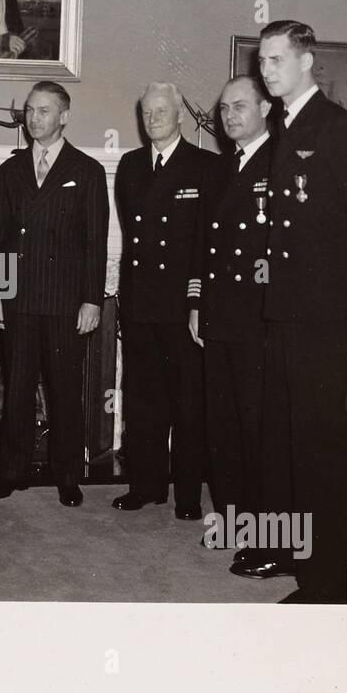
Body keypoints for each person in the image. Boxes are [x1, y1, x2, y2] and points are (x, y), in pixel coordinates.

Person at [257, 20, 347, 603]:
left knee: (317, 447)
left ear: (306, 62)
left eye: (276, 61)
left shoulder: (341, 129)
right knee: (292, 441)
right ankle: (307, 567)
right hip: (285, 309)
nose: (266, 72)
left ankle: (329, 585)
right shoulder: (284, 126)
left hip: (322, 313)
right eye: (262, 62)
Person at [0, 82, 108, 506]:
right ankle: (11, 470)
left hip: (65, 302)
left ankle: (67, 475)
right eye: (30, 111)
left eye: (43, 111)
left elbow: (96, 242)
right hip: (18, 298)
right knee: (16, 389)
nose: (33, 119)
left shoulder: (87, 170)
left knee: (64, 392)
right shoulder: (10, 170)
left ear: (64, 117)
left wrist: (93, 299)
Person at [112, 81, 217, 518]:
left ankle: (188, 495)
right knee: (142, 399)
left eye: (160, 112)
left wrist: (198, 303)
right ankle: (146, 485)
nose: (152, 120)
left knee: (187, 403)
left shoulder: (206, 167)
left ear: (180, 115)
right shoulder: (130, 164)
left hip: (180, 306)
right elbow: (134, 242)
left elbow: (206, 245)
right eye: (146, 113)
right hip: (140, 304)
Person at [188, 75, 276, 572]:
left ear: (265, 108)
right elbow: (205, 242)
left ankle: (266, 536)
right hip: (219, 317)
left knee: (256, 429)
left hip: (258, 320)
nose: (229, 116)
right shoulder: (220, 170)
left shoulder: (280, 163)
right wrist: (198, 303)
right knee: (221, 425)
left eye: (240, 106)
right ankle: (234, 519)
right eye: (223, 109)